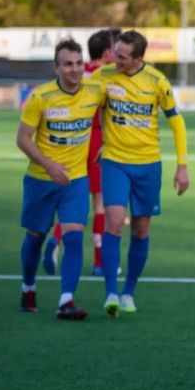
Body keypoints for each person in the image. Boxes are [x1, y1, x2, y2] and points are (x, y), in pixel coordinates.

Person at [92, 30, 190, 317]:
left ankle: (128, 292)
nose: (115, 59)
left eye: (122, 56)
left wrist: (182, 166)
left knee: (141, 229)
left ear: (138, 58)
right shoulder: (103, 76)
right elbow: (81, 106)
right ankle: (110, 291)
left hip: (148, 165)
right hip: (114, 161)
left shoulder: (157, 82)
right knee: (113, 222)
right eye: (115, 52)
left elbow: (177, 123)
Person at [16, 38, 105, 320]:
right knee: (35, 238)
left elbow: (116, 104)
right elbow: (22, 138)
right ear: (56, 67)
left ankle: (66, 300)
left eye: (79, 63)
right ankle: (28, 286)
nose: (75, 69)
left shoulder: (94, 91)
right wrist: (48, 163)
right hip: (41, 179)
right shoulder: (41, 97)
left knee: (74, 237)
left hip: (75, 180)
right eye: (68, 64)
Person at [42, 29, 121, 277]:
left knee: (72, 196)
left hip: (74, 139)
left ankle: (56, 238)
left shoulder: (79, 70)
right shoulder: (106, 77)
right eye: (116, 47)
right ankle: (99, 262)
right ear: (108, 52)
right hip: (97, 137)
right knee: (99, 202)